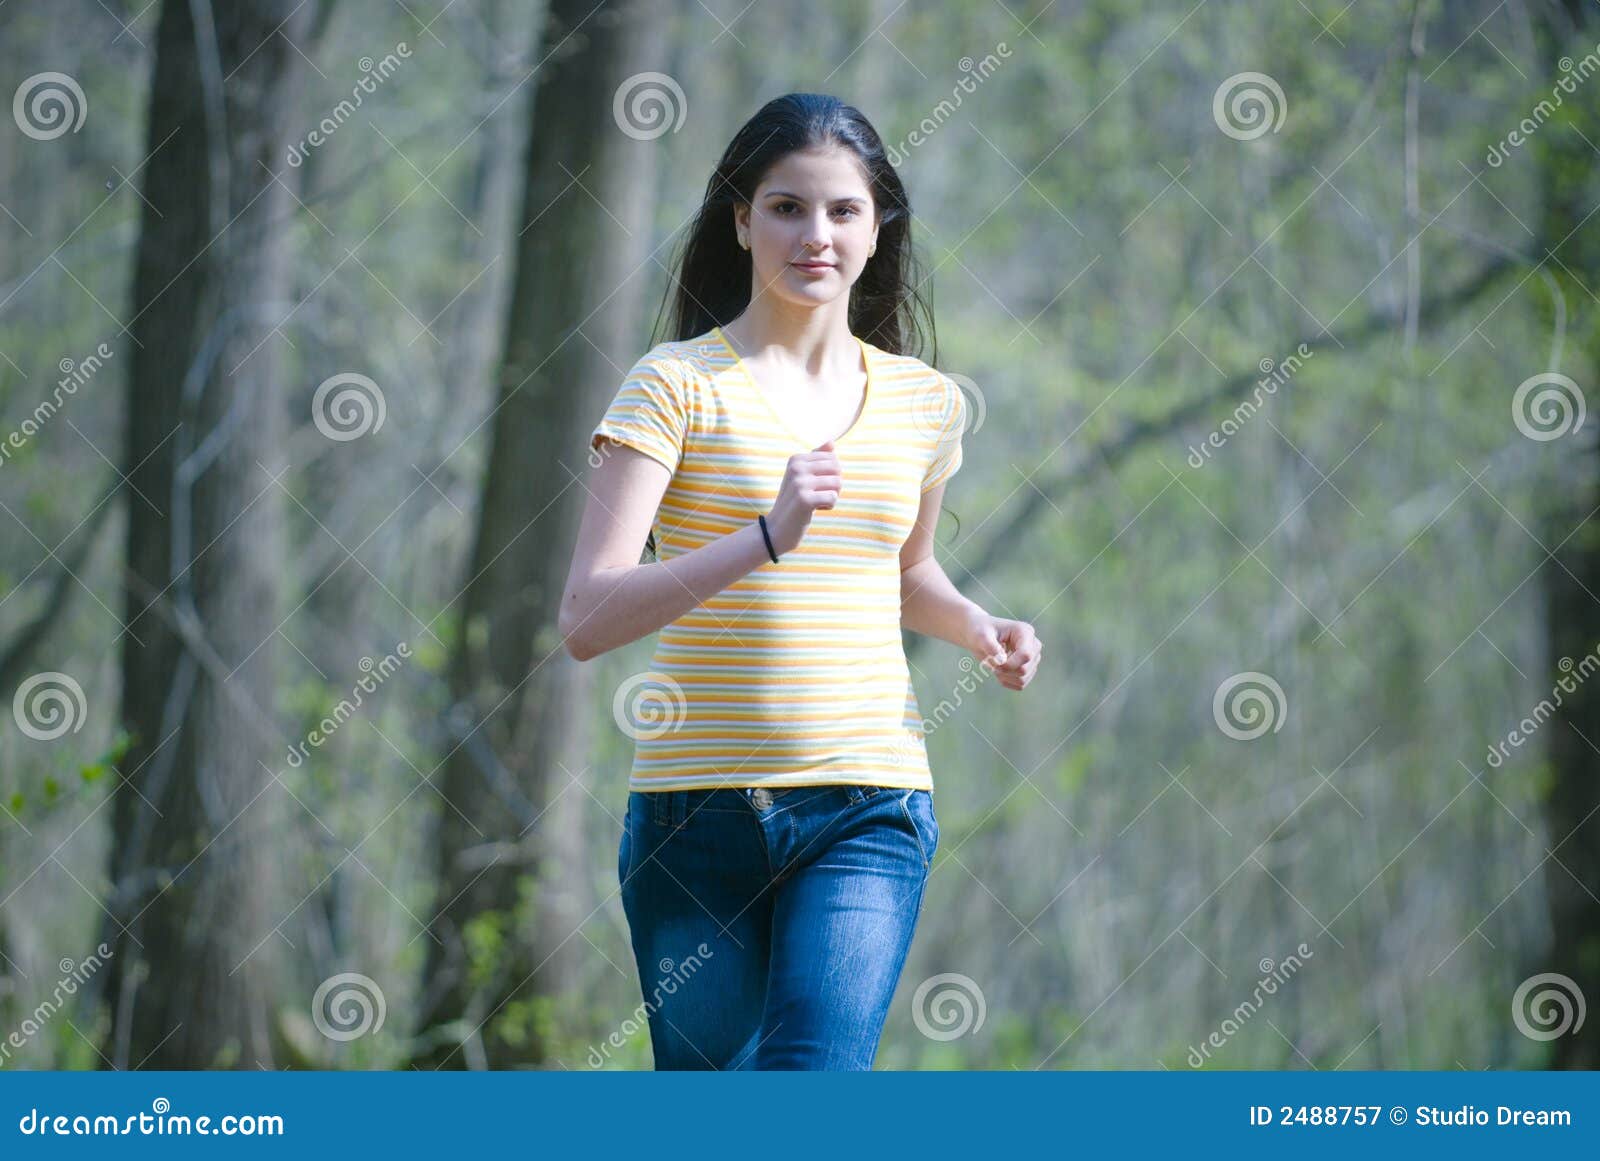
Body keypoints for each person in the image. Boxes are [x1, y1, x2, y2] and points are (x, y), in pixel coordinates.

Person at [560, 92, 1041, 1070]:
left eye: (842, 211)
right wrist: (763, 535)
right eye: (785, 207)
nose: (813, 234)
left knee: (812, 1083)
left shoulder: (925, 402)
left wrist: (978, 625)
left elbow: (903, 576)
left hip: (868, 802)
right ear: (739, 220)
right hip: (695, 814)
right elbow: (587, 615)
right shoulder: (675, 384)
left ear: (877, 228)